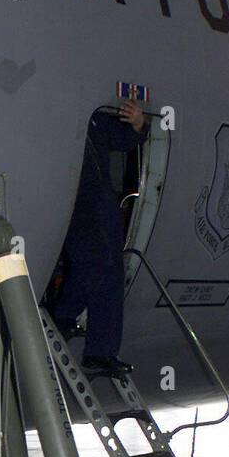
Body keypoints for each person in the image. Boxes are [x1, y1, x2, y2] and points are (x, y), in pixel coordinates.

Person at [52, 98, 149, 377]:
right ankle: (64, 314)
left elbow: (123, 140)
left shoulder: (92, 117)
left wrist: (138, 124)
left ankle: (101, 350)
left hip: (97, 198)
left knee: (110, 271)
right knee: (95, 262)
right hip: (75, 199)